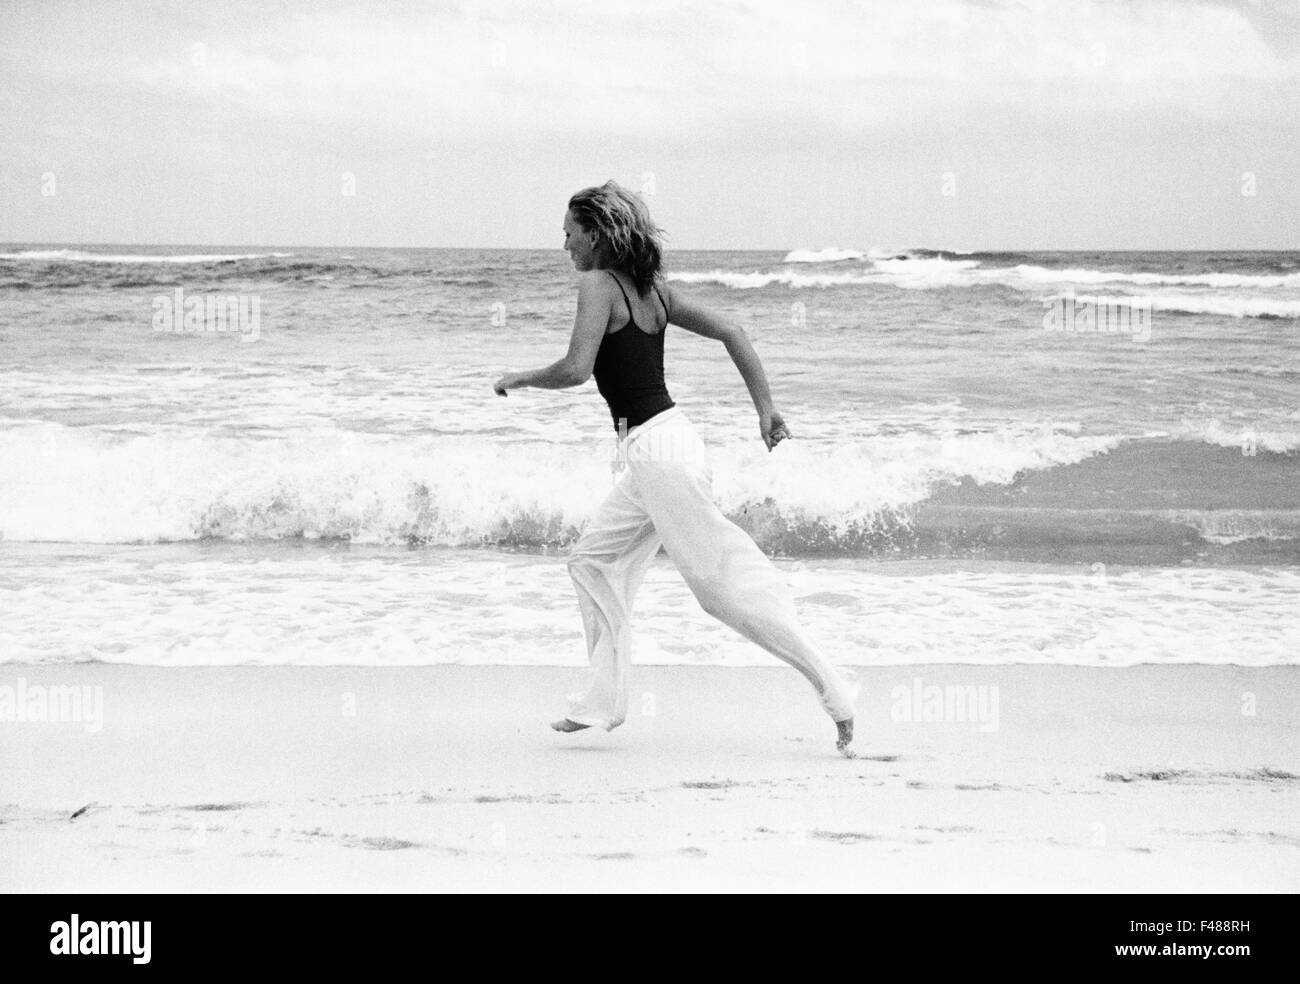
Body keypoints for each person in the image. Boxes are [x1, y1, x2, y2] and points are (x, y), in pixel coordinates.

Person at [493, 180, 857, 755]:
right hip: (661, 449)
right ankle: (602, 701)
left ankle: (835, 694)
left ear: (595, 234)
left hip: (661, 455)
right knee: (589, 561)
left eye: (568, 234)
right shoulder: (653, 291)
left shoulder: (597, 285)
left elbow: (576, 369)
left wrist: (518, 377)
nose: (563, 245)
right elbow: (734, 331)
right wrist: (766, 409)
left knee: (720, 592)